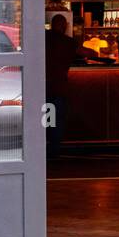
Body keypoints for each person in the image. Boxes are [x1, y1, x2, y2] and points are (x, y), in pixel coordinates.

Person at [44, 14, 94, 158]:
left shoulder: (43, 39)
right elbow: (88, 53)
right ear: (65, 26)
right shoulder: (68, 42)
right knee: (57, 120)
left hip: (42, 87)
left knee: (45, 119)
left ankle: (42, 151)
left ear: (52, 25)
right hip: (59, 87)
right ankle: (53, 152)